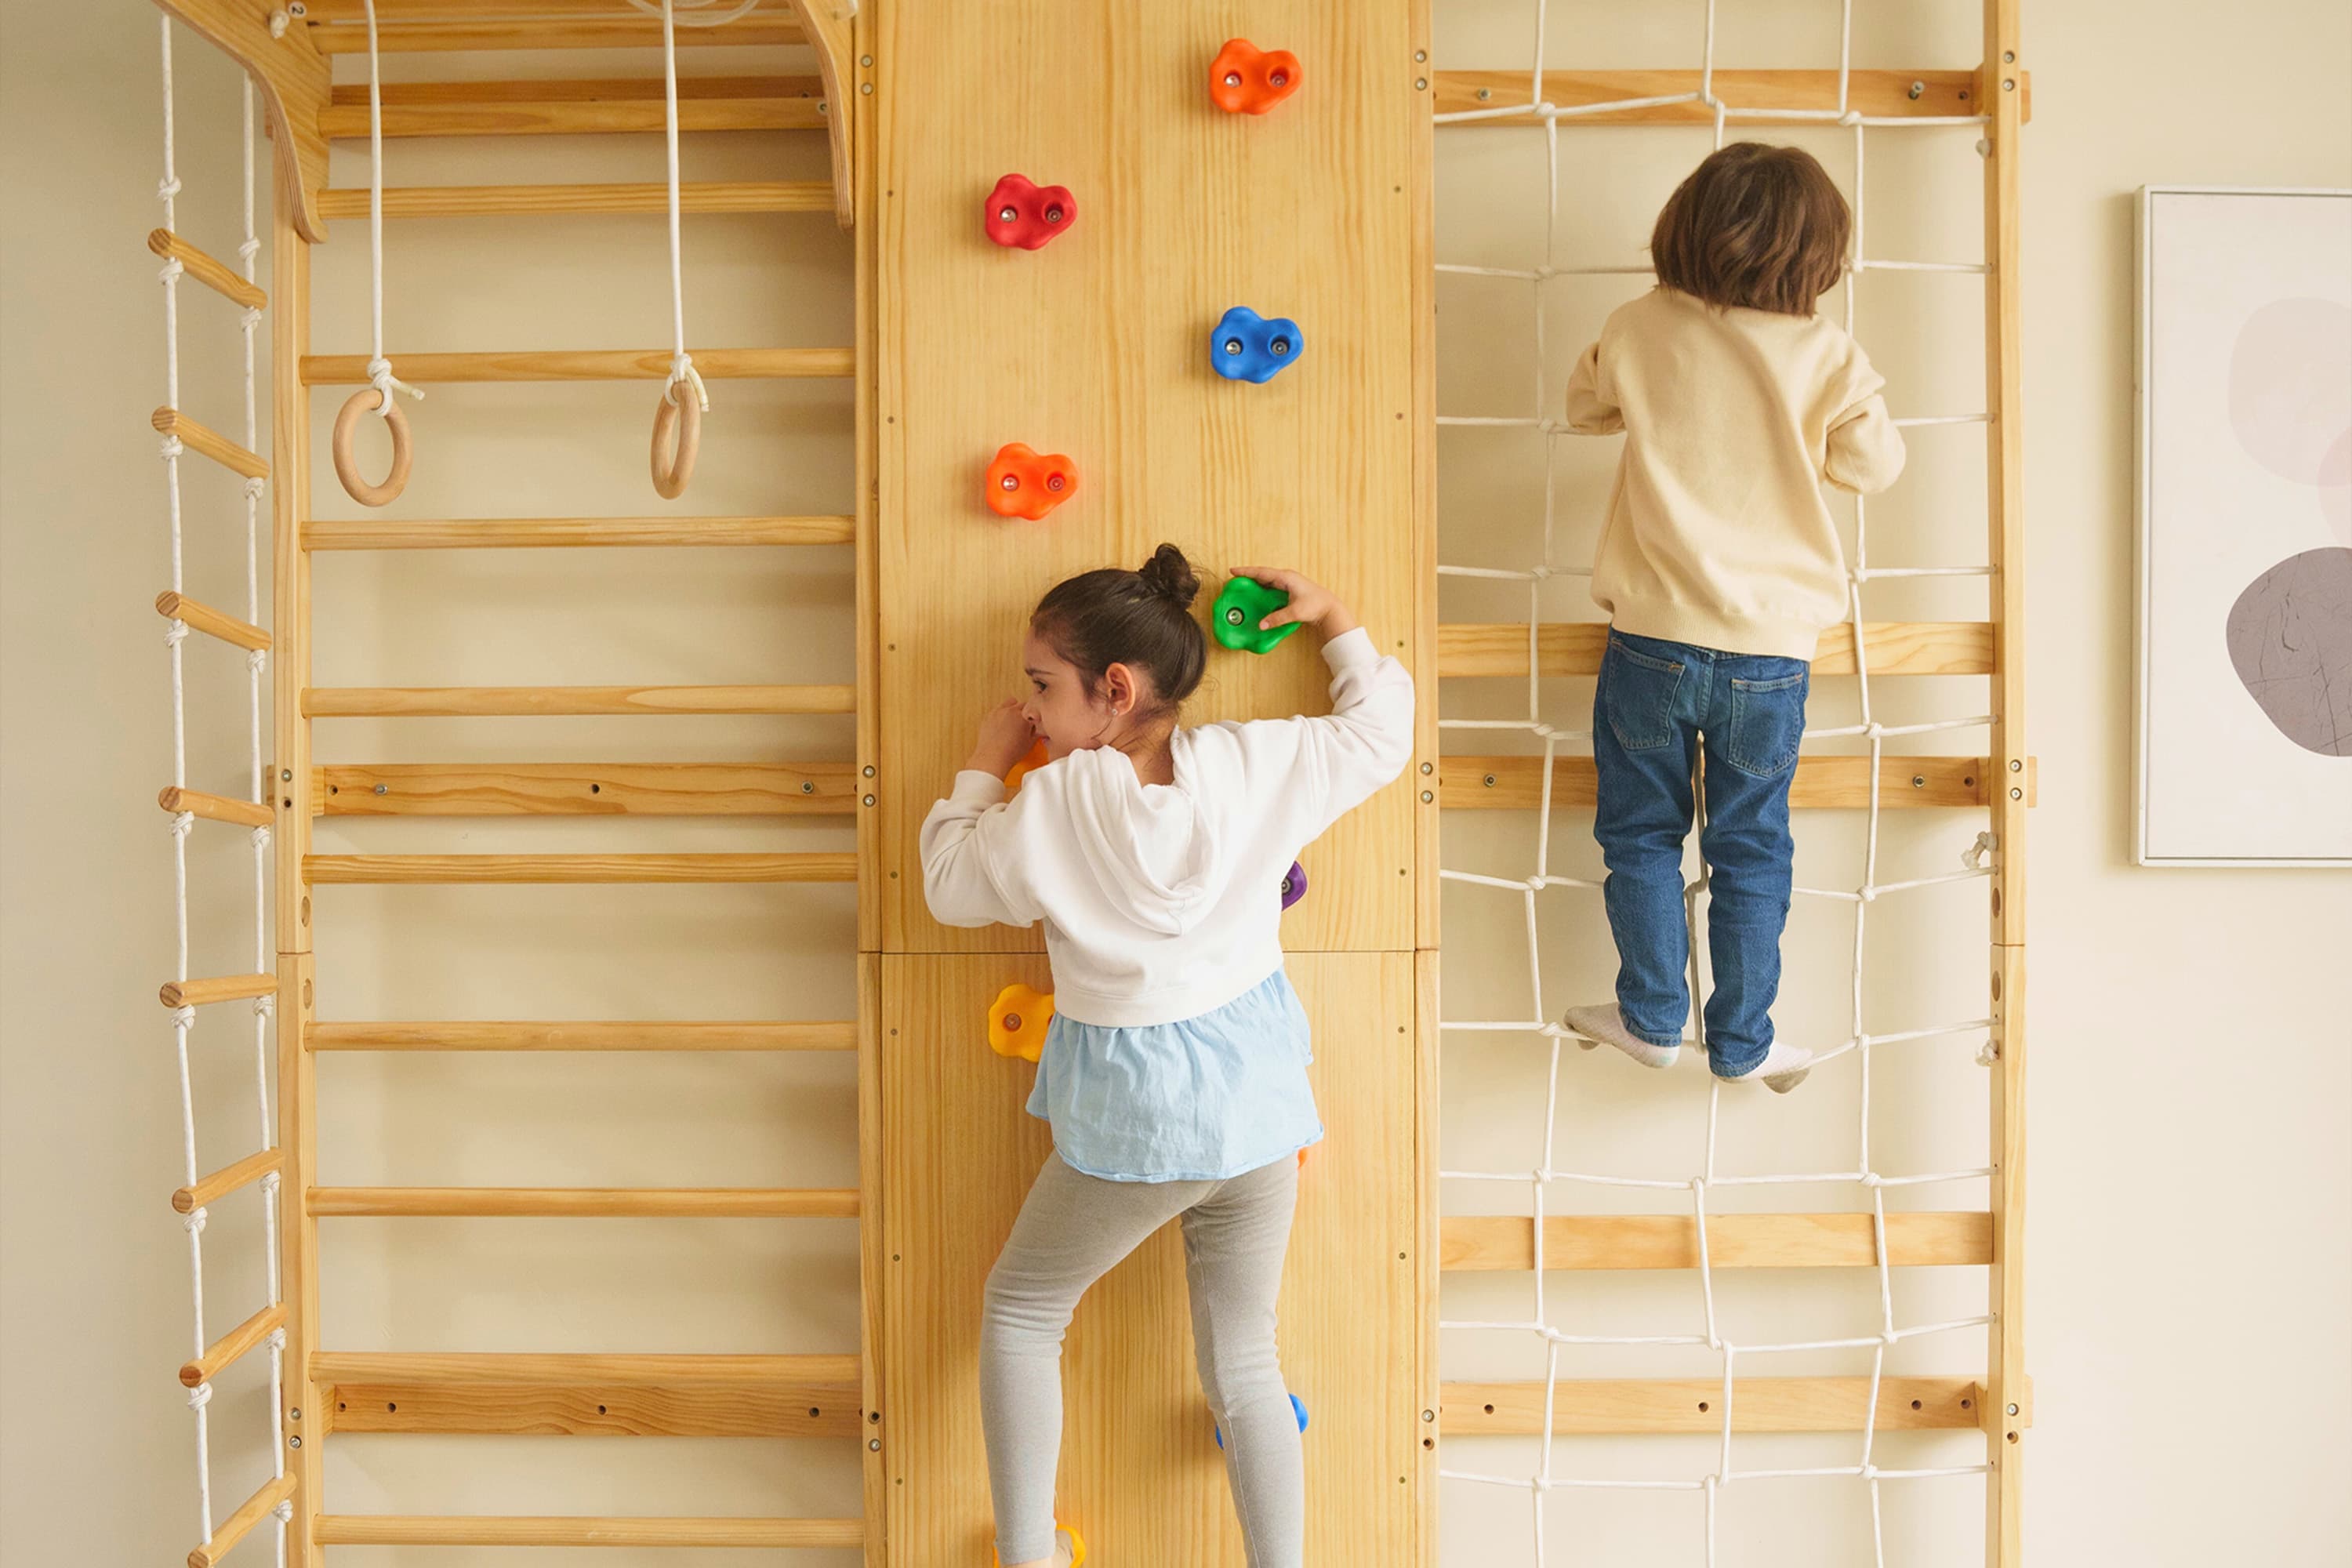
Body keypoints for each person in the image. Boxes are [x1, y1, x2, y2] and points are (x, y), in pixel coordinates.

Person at [921, 546, 1414, 1568]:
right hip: (1261, 1108)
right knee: (1245, 1355)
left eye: (1042, 688)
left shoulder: (1053, 805)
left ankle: (1027, 1557)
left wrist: (981, 762)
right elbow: (1380, 735)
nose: (1032, 710)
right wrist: (1334, 621)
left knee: (1022, 1310)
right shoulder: (1256, 763)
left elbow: (953, 888)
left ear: (1113, 691)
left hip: (1143, 1124)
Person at [1557, 141, 1907, 1092]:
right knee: (1752, 846)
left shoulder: (1640, 325)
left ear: (1685, 227)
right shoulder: (1830, 354)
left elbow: (1585, 406)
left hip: (1652, 641)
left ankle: (1652, 1016)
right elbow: (1876, 468)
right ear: (1820, 257)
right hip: (1770, 654)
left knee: (1640, 834)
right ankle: (1745, 1041)